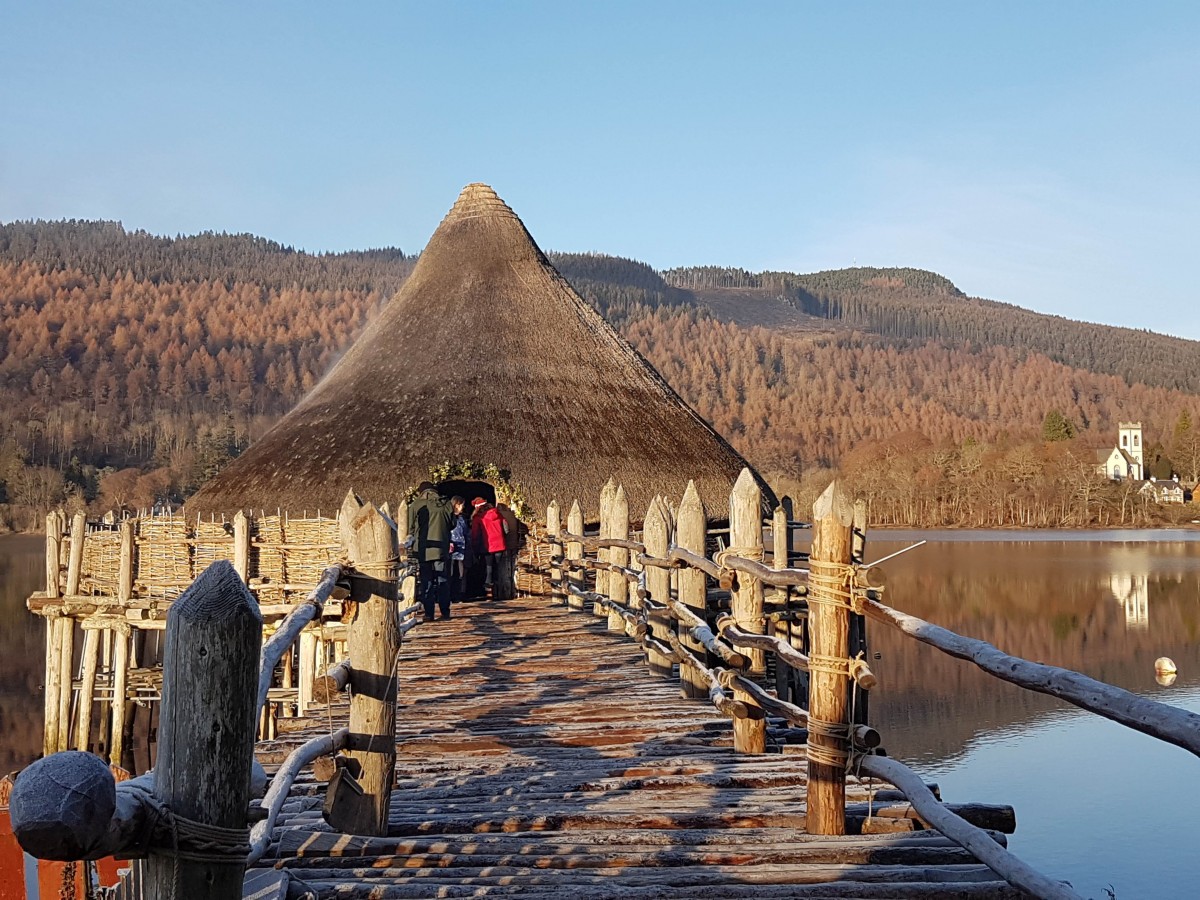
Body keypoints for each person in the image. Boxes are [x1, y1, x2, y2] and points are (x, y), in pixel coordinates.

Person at [407, 481, 453, 620]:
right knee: (442, 580)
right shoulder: (446, 503)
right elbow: (453, 524)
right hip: (442, 549)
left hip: (423, 550)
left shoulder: (416, 505)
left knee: (426, 581)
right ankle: (445, 612)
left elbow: (409, 529)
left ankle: (429, 613)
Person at [469, 497, 507, 599]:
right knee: (498, 568)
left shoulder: (478, 518)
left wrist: (474, 548)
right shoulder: (497, 513)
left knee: (488, 568)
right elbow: (506, 528)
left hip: (487, 547)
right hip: (500, 546)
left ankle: (489, 593)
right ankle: (499, 592)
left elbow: (475, 535)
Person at [496, 501, 522, 601]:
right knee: (512, 569)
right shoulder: (513, 515)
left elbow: (505, 531)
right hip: (514, 544)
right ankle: (512, 591)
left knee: (502, 569)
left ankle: (504, 593)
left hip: (503, 545)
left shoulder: (500, 516)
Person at [448, 496, 470, 603]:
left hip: (461, 550)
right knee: (451, 573)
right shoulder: (448, 517)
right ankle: (450, 596)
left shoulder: (462, 518)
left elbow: (466, 533)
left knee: (460, 574)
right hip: (451, 550)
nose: (462, 507)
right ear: (455, 504)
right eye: (460, 504)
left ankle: (458, 595)